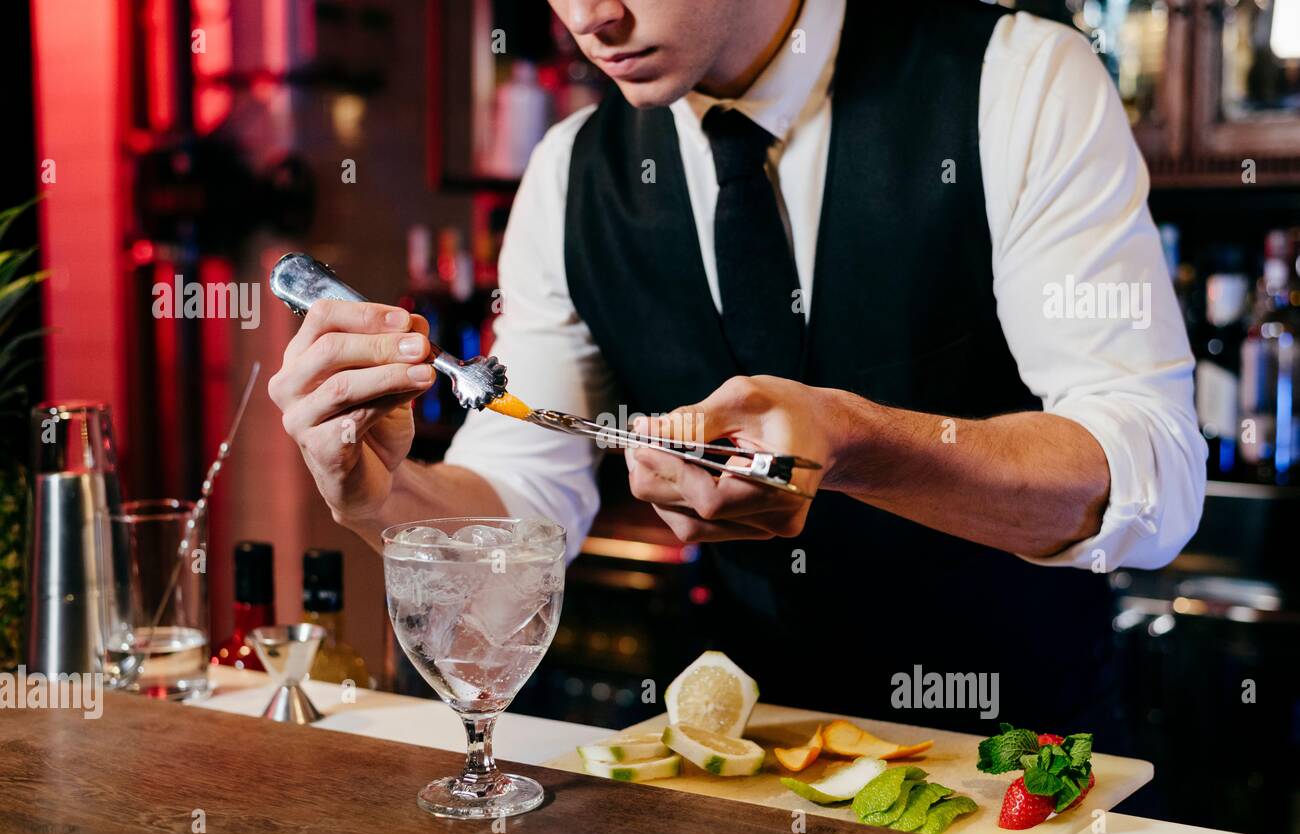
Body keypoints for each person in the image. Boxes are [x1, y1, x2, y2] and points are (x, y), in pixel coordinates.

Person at [268, 0, 1205, 738]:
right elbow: (522, 519)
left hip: (1017, 781)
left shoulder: (1016, 80)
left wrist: (854, 443)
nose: (589, 17)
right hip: (736, 777)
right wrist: (378, 494)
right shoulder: (572, 176)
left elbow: (1154, 476)